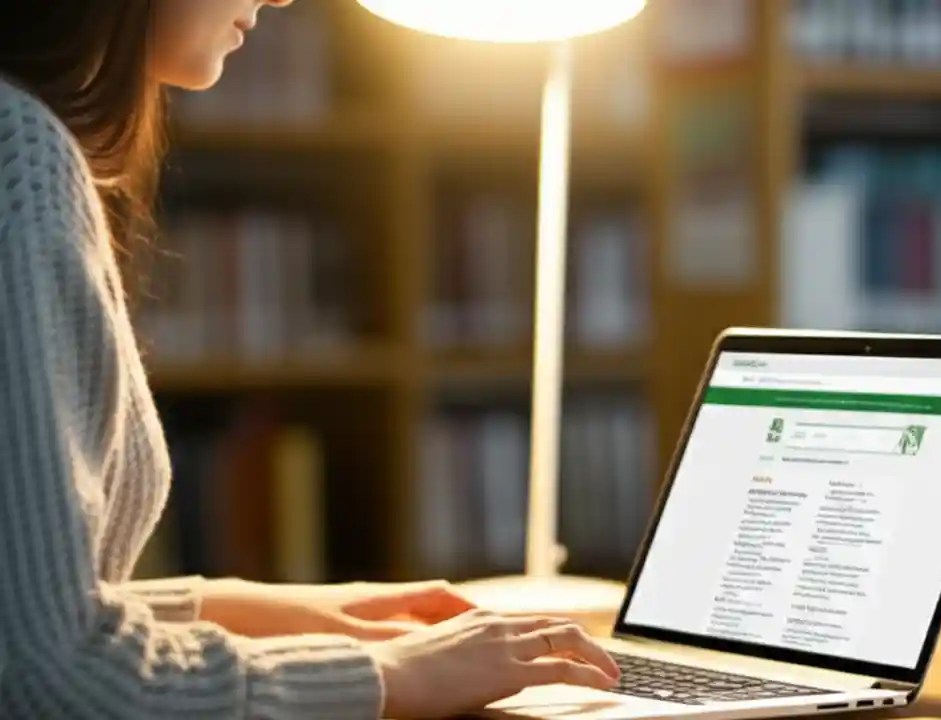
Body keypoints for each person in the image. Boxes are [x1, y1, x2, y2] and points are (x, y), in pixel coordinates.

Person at [0, 1, 621, 717]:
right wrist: (386, 671)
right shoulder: (20, 154)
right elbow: (50, 674)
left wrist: (241, 611)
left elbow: (19, 621)